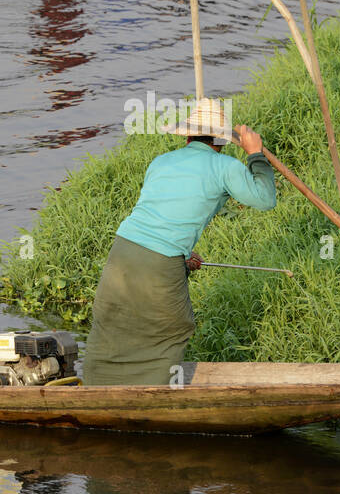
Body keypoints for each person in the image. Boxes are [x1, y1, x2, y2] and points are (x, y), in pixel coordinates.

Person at [81, 99, 277, 386]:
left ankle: (99, 386)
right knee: (173, 327)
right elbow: (265, 199)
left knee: (113, 319)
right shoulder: (225, 166)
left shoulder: (160, 162)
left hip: (122, 251)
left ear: (187, 135)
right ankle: (149, 395)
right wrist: (255, 155)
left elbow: (158, 218)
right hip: (159, 259)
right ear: (221, 141)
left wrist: (181, 256)